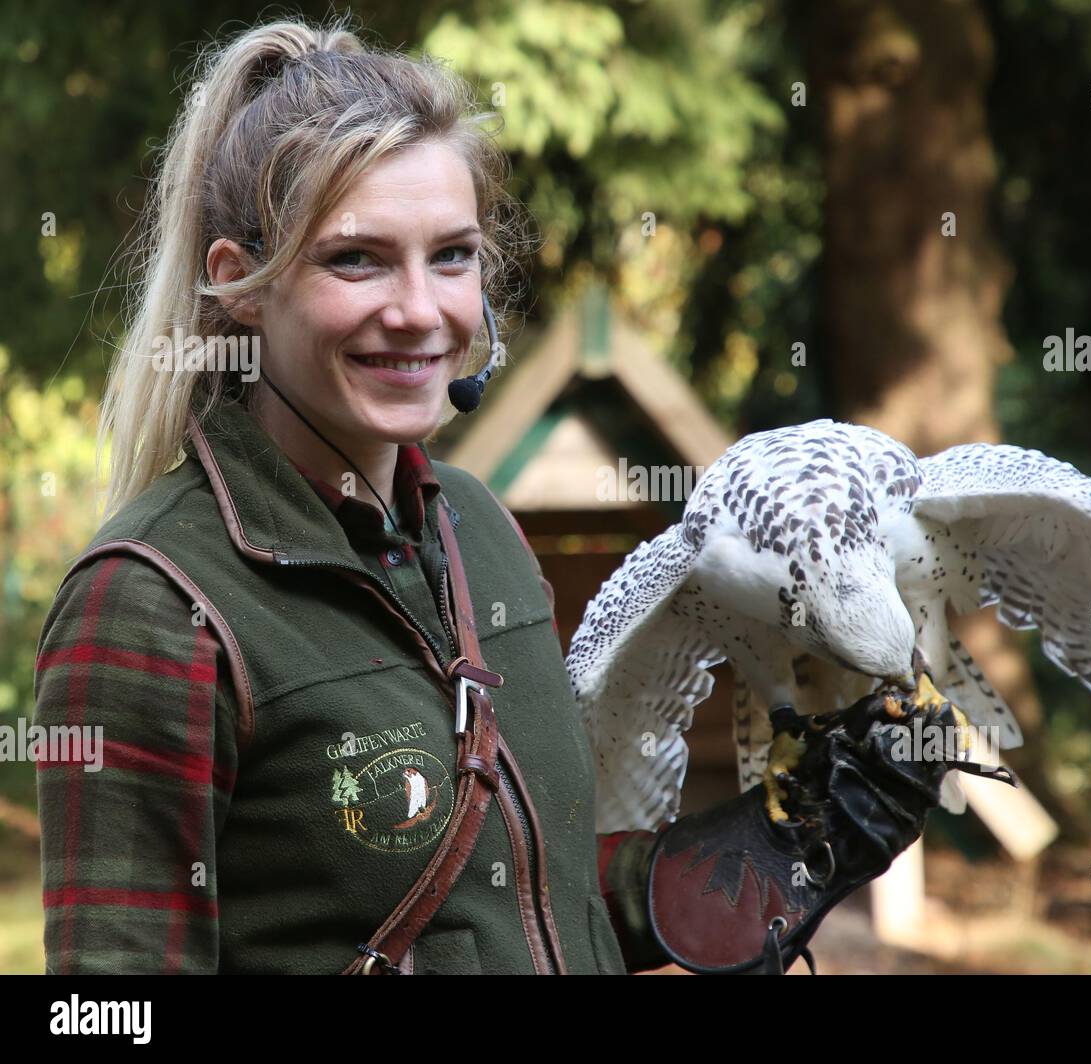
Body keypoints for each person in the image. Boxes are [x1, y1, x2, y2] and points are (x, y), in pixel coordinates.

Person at [33, 16, 952, 975]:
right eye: (357, 258)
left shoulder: (481, 532)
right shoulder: (150, 602)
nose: (421, 311)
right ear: (241, 286)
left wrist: (781, 847)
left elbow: (529, 896)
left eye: (453, 255)